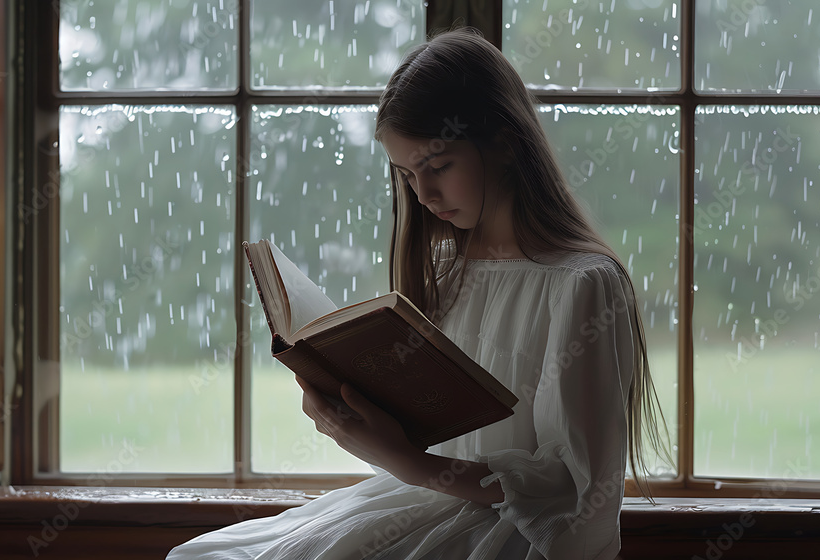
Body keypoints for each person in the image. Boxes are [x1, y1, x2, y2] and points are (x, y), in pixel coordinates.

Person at [167, 25, 673, 559]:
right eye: (407, 175)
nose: (425, 194)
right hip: (421, 500)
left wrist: (406, 460)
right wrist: (359, 425)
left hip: (511, 536)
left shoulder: (582, 283)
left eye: (438, 167)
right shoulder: (447, 273)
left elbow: (575, 493)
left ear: (503, 142)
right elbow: (440, 436)